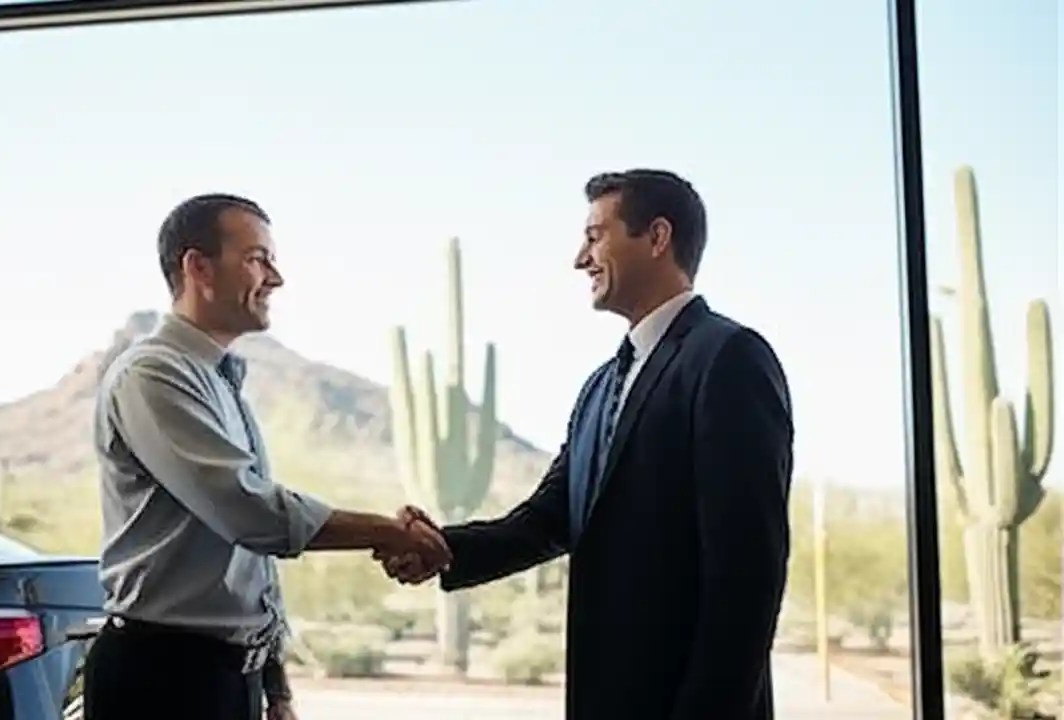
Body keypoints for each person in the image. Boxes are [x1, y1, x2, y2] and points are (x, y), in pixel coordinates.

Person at [380, 169, 794, 720]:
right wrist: (442, 548)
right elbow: (548, 520)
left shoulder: (730, 359)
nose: (581, 258)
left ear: (657, 237)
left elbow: (749, 572)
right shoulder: (599, 387)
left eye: (595, 235)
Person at [83, 193, 451, 720]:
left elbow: (248, 566)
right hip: (163, 684)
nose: (275, 278)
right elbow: (248, 513)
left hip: (225, 680)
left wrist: (274, 687)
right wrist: (387, 532)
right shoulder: (153, 375)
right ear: (198, 266)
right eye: (258, 258)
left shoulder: (219, 381)